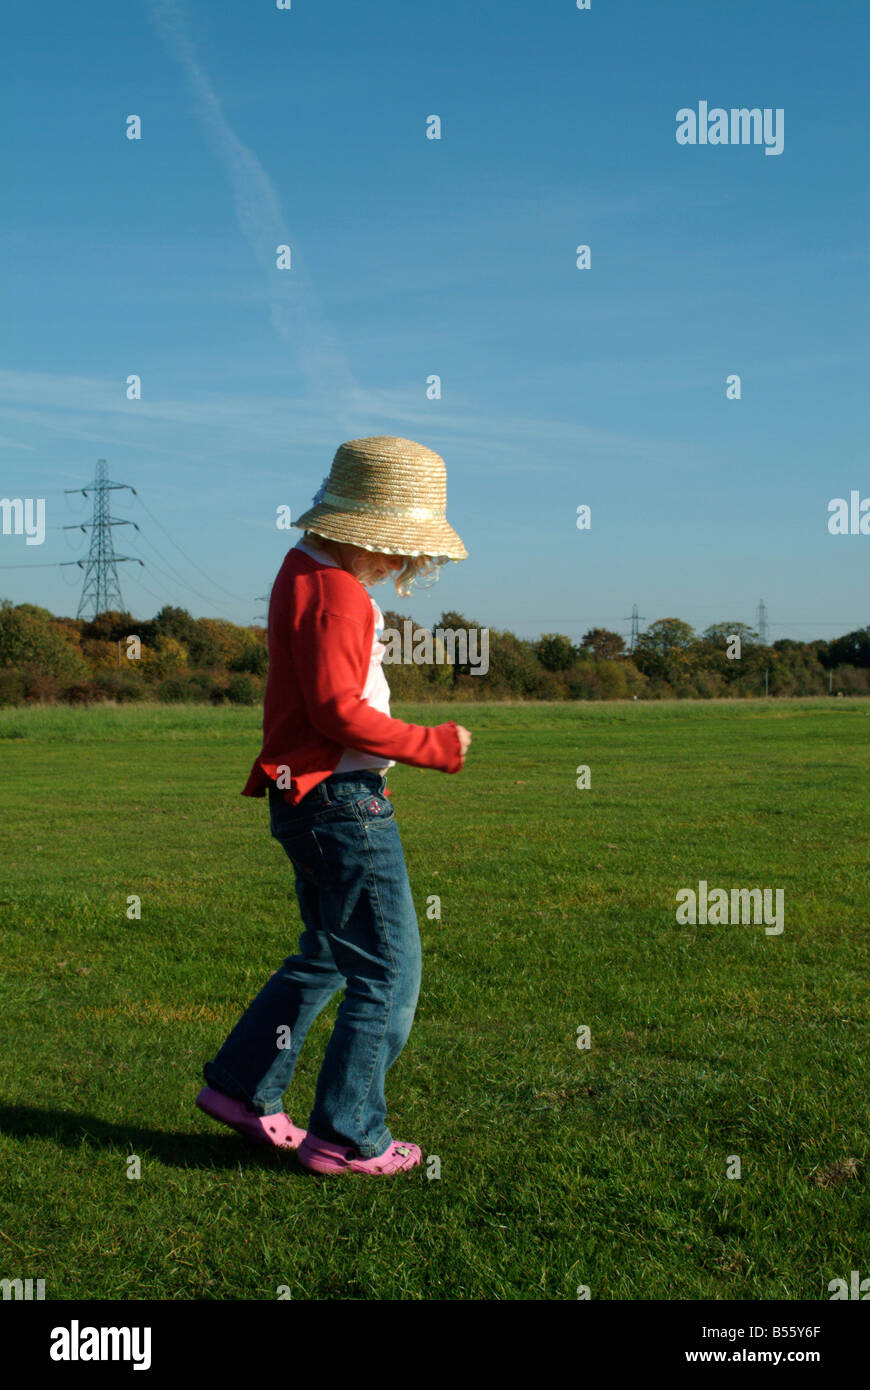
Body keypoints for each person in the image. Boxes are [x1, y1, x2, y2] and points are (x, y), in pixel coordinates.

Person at [196, 436, 472, 1175]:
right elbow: (336, 712)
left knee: (325, 952)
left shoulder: (299, 572)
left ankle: (240, 1087)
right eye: (392, 549)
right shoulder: (340, 594)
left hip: (306, 795)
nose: (400, 564)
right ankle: (348, 1135)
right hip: (341, 803)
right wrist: (432, 743)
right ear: (354, 530)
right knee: (388, 973)